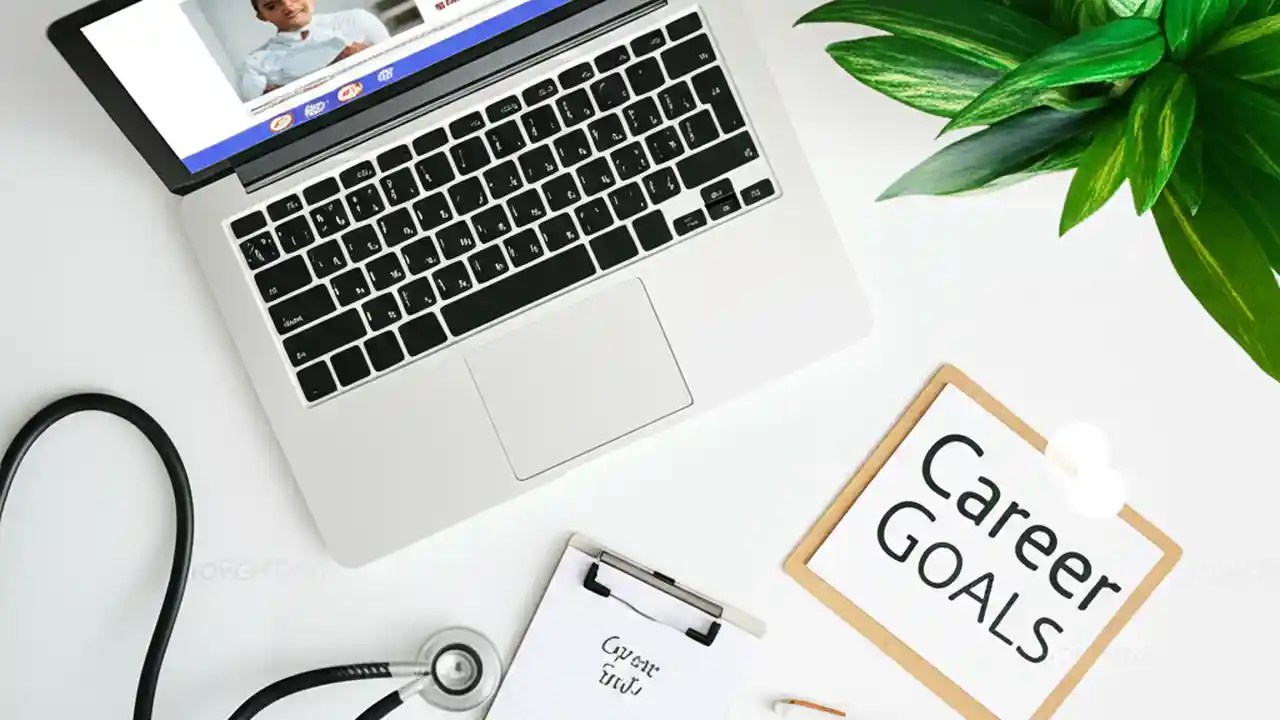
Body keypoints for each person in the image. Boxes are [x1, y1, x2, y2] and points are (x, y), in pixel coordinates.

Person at [239, 0, 391, 100]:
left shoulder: (357, 20)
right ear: (262, 16)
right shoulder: (255, 64)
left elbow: (394, 62)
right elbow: (266, 115)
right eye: (272, 6)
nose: (288, 6)